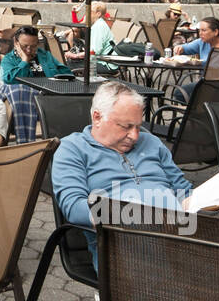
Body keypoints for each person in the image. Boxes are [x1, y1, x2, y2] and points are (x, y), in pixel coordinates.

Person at [52, 81, 192, 265]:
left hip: (180, 236)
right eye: (126, 126)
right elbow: (73, 206)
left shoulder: (151, 141)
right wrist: (134, 215)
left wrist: (198, 203)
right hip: (124, 247)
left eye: (138, 126)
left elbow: (182, 188)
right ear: (97, 117)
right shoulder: (73, 148)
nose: (135, 136)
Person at [1, 25, 69, 83]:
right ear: (16, 43)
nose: (28, 50)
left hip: (52, 91)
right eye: (25, 46)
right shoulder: (9, 59)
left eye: (33, 46)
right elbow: (10, 81)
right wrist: (24, 61)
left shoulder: (44, 55)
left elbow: (67, 73)